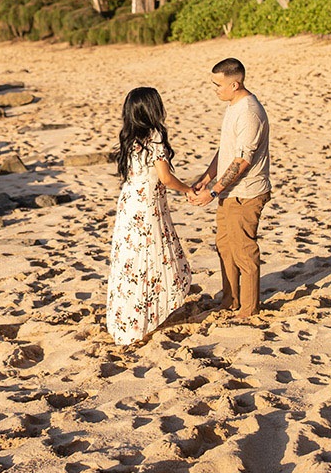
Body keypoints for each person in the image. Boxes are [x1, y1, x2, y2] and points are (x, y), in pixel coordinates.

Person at [106, 86, 199, 346]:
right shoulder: (155, 135)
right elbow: (166, 177)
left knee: (131, 259)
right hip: (147, 204)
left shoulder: (129, 135)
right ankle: (146, 317)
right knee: (150, 255)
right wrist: (188, 189)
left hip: (129, 203)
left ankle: (129, 320)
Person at [188, 57, 271, 318]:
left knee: (244, 250)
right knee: (225, 246)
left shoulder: (249, 112)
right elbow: (226, 150)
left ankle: (249, 308)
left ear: (235, 84)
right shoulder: (233, 105)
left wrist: (212, 192)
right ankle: (230, 300)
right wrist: (207, 177)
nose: (215, 89)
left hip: (246, 193)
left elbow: (242, 160)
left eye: (218, 85)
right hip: (229, 192)